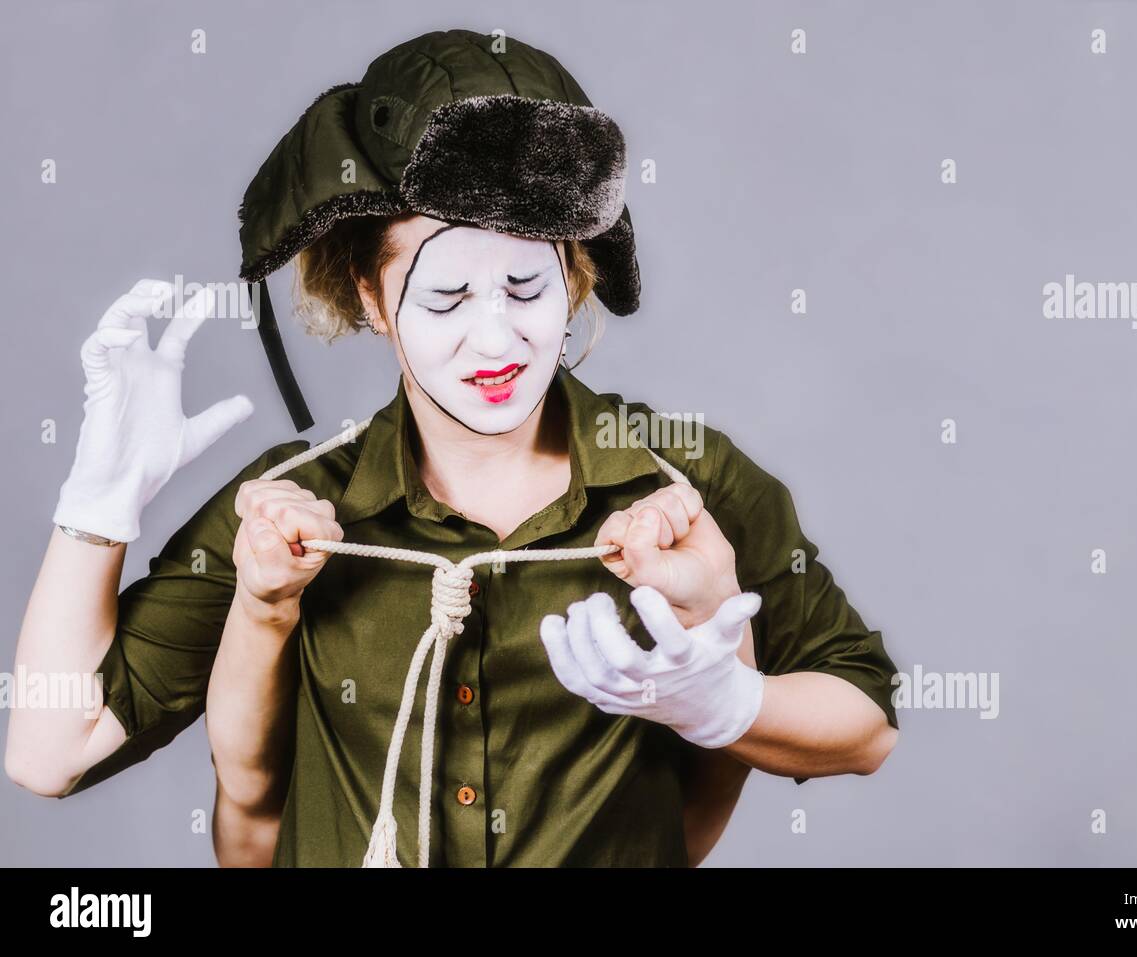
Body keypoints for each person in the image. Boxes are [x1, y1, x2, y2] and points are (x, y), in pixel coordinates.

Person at [5, 29, 900, 867]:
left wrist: (728, 705)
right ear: (372, 294)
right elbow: (49, 750)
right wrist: (97, 503)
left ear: (575, 270)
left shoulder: (686, 484)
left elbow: (867, 725)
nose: (497, 340)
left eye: (525, 286)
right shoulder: (290, 509)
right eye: (445, 299)